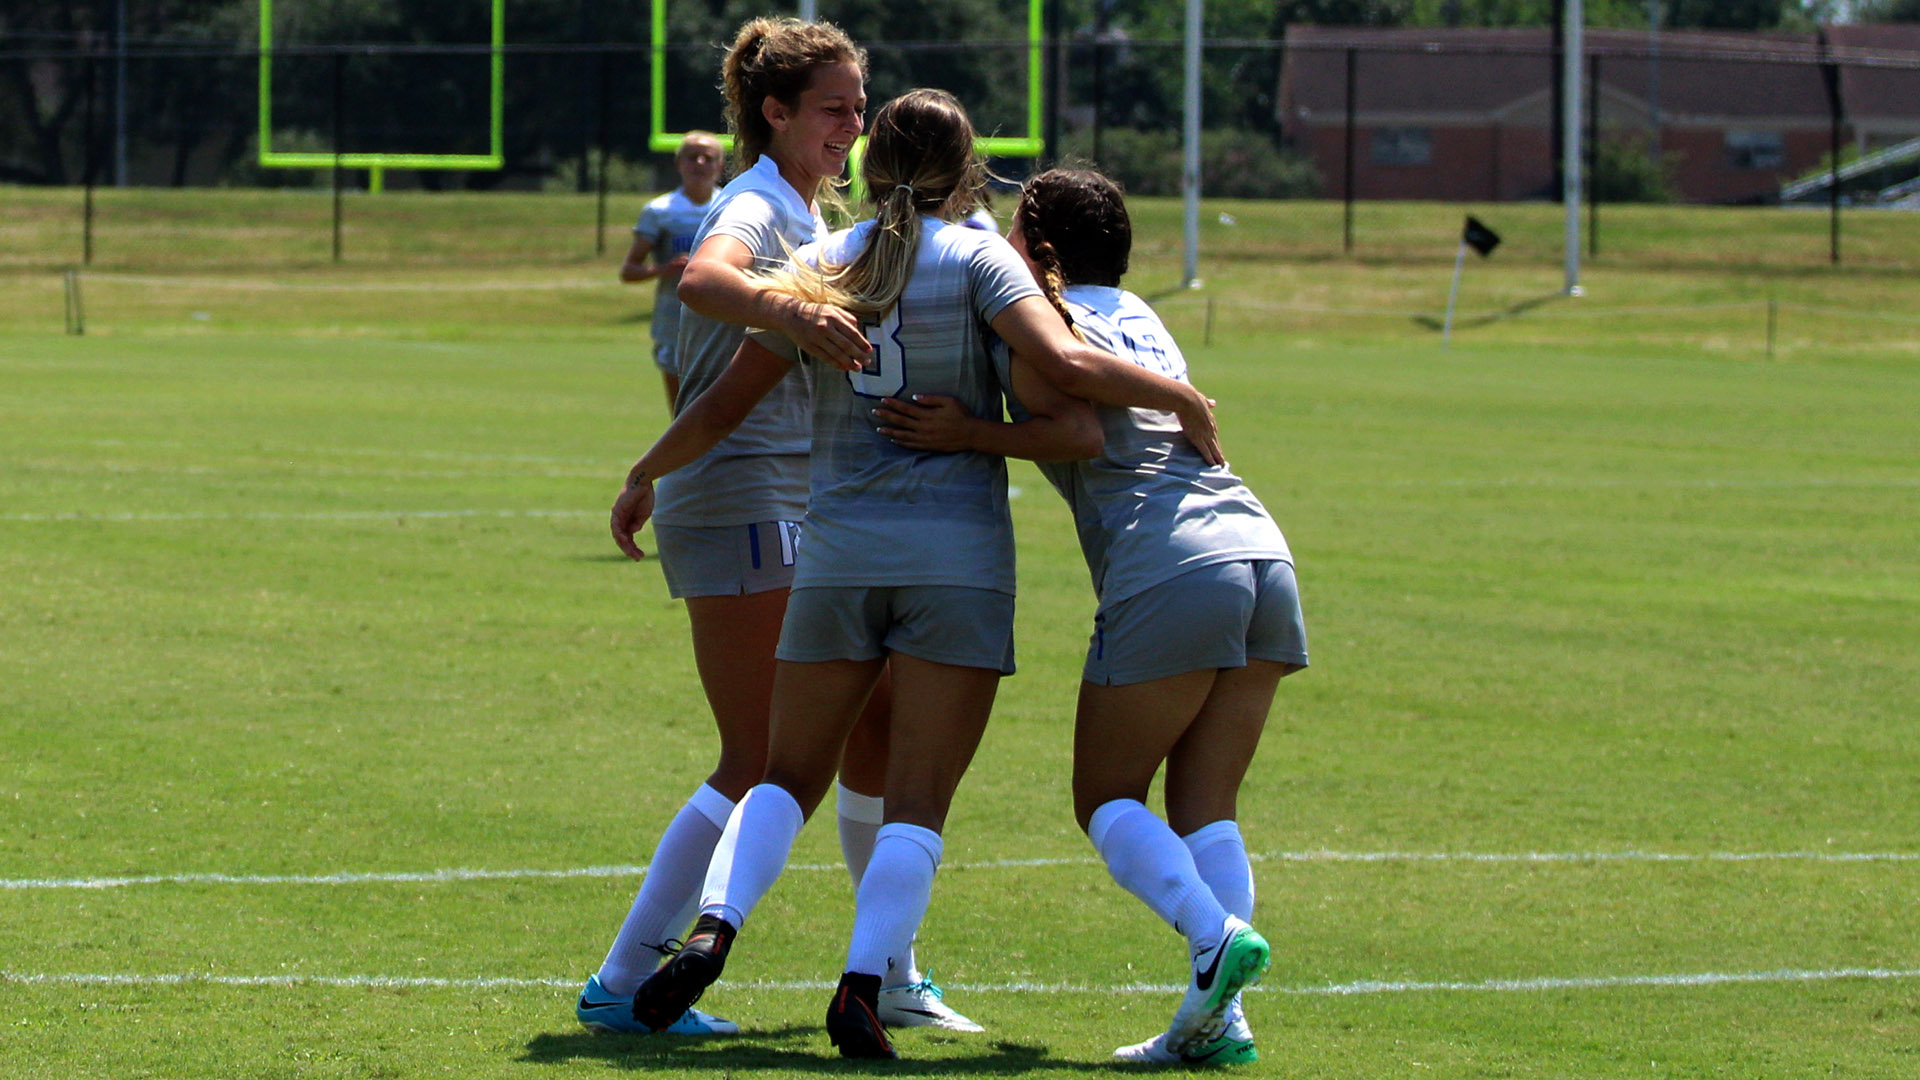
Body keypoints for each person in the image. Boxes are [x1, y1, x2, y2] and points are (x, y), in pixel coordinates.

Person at [609, 91, 1224, 1059]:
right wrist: (1179, 391)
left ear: (870, 165)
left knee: (783, 774)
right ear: (968, 171)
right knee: (917, 800)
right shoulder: (982, 257)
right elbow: (1065, 363)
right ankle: (863, 983)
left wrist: (648, 472)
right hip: (957, 561)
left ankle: (715, 925)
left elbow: (723, 406)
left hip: (840, 552)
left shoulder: (819, 265)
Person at [578, 17, 978, 1040]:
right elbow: (707, 281)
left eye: (859, 105)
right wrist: (793, 314)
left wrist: (646, 469)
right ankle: (624, 978)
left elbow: (736, 391)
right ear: (776, 111)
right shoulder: (756, 203)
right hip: (744, 502)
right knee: (757, 755)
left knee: (877, 722)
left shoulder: (809, 211)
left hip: (783, 497)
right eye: (836, 107)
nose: (855, 124)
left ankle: (886, 967)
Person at [874, 168, 1304, 1065]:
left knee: (1105, 796)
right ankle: (1222, 1022)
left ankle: (1214, 939)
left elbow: (1079, 431)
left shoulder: (1047, 328)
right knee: (1205, 806)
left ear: (1040, 253)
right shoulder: (1142, 311)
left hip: (1170, 565)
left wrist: (969, 433)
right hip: (1262, 551)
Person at [620, 131, 723, 407]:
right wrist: (664, 269)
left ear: (720, 166)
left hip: (723, 322)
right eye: (692, 157)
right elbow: (629, 270)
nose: (700, 163)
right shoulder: (660, 211)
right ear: (679, 164)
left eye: (708, 158)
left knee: (722, 416)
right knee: (682, 414)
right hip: (673, 322)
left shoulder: (732, 207)